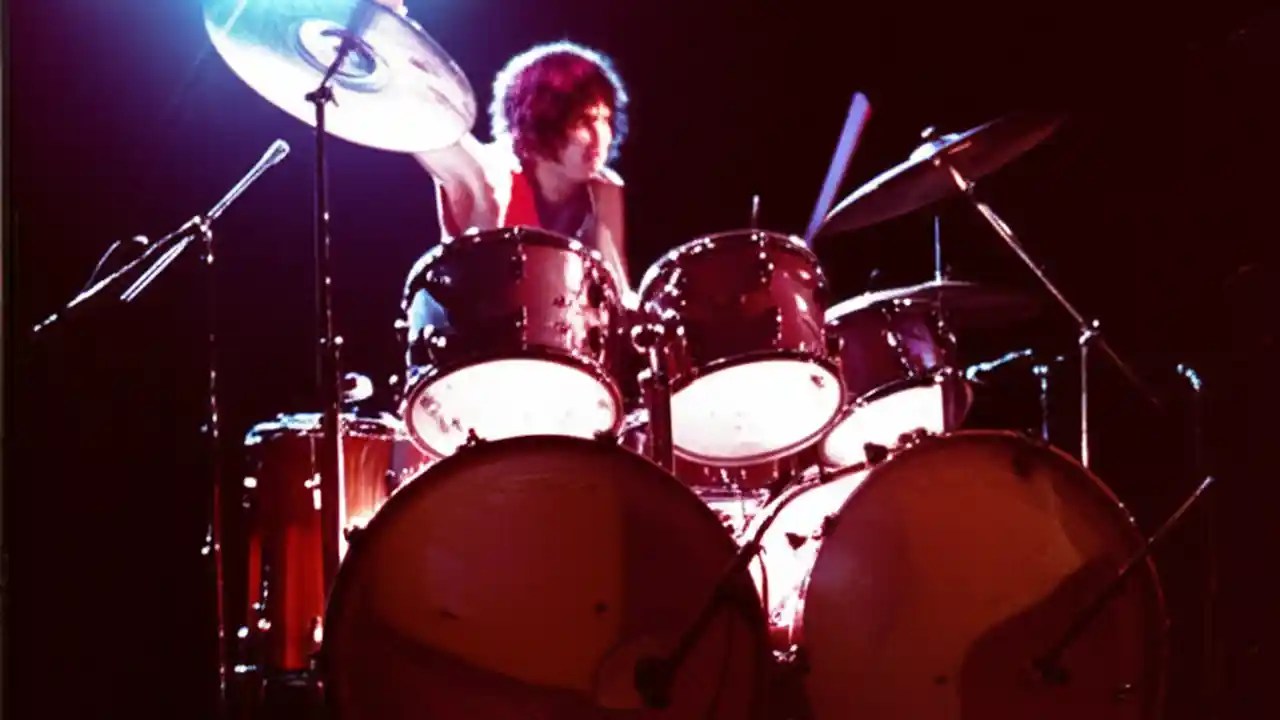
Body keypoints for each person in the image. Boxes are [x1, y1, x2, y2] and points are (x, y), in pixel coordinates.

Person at [380, 0, 632, 294]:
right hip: (478, 332)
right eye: (583, 120)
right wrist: (389, 31)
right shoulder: (493, 173)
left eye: (605, 119)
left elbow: (619, 297)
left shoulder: (602, 190)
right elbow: (426, 118)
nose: (600, 135)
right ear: (541, 121)